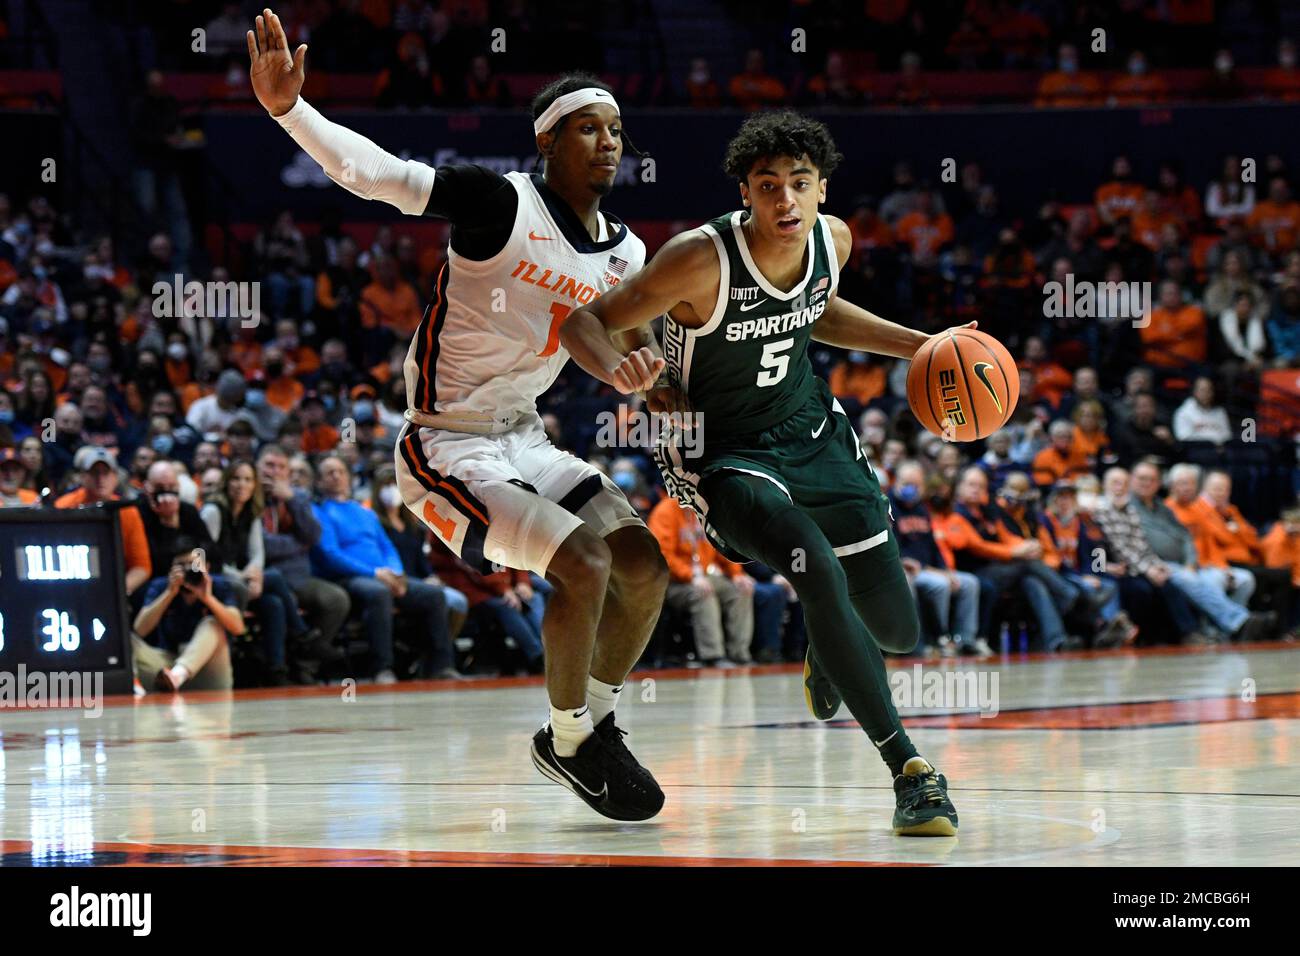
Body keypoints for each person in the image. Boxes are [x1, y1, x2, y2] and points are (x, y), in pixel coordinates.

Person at [249, 7, 666, 821]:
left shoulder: (629, 251)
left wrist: (648, 361)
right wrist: (289, 110)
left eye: (615, 129)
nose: (608, 142)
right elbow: (379, 175)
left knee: (643, 562)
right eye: (588, 128)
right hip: (446, 447)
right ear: (548, 141)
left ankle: (596, 724)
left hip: (526, 437)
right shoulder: (498, 203)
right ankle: (567, 736)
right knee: (582, 562)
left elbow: (629, 328)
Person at [560, 111, 959, 835]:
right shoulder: (698, 258)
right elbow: (590, 320)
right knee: (817, 571)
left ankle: (827, 641)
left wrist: (923, 346)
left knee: (899, 633)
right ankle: (911, 773)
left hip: (815, 435)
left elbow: (816, 312)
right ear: (745, 191)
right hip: (724, 451)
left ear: (821, 190)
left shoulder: (833, 241)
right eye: (767, 185)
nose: (784, 201)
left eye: (799, 185)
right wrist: (635, 377)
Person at [311, 455, 457, 683]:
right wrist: (376, 574)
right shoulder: (319, 512)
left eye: (340, 471)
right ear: (319, 482)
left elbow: (386, 546)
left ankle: (440, 666)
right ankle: (382, 668)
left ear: (349, 478)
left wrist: (396, 573)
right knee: (378, 593)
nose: (336, 476)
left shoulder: (365, 512)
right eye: (329, 473)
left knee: (434, 595)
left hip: (385, 575)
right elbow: (331, 555)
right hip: (349, 577)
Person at [201, 459, 338, 685]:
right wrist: (245, 576)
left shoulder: (251, 512)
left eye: (247, 479)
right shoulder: (213, 511)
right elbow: (208, 559)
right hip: (216, 579)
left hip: (242, 579)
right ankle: (302, 636)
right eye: (236, 479)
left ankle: (277, 670)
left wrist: (254, 573)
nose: (241, 485)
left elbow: (257, 553)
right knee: (273, 577)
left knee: (273, 603)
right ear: (226, 482)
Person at [1126, 462, 1275, 641]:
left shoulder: (1162, 509)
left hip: (1190, 563)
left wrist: (1192, 562)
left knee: (1243, 579)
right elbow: (1134, 544)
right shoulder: (1128, 508)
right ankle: (1239, 622)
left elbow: (1187, 538)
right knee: (1203, 580)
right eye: (1142, 479)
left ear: (1159, 483)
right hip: (1157, 563)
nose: (1147, 483)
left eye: (1152, 479)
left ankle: (1230, 630)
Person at [256, 443, 351, 651]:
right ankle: (288, 661)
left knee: (337, 598)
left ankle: (308, 659)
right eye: (269, 465)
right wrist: (300, 543)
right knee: (280, 603)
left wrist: (289, 499)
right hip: (265, 577)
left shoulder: (298, 497)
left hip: (299, 577)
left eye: (281, 467)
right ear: (257, 467)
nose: (275, 471)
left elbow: (314, 536)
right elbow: (264, 546)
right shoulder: (250, 496)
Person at [890, 460, 987, 658]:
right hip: (907, 569)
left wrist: (946, 569)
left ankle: (964, 640)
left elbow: (933, 546)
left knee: (969, 583)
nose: (911, 489)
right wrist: (937, 572)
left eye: (916, 485)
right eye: (906, 483)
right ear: (896, 482)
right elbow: (891, 546)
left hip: (928, 568)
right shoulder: (888, 506)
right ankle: (939, 639)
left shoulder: (921, 508)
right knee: (941, 585)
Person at [648, 495, 755, 667]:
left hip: (704, 576)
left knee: (740, 590)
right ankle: (713, 655)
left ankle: (739, 653)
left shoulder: (706, 510)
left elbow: (721, 547)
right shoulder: (665, 511)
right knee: (704, 593)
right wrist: (690, 576)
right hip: (672, 581)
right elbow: (663, 556)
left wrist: (736, 574)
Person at [133, 541, 244, 691]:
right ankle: (147, 684)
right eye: (181, 566)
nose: (188, 570)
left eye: (193, 565)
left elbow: (238, 627)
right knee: (129, 641)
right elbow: (139, 630)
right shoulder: (162, 586)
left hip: (209, 669)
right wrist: (169, 593)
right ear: (172, 569)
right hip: (167, 666)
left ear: (207, 567)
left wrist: (207, 598)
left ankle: (179, 674)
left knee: (212, 623)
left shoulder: (219, 586)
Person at [54, 446, 152, 598]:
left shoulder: (128, 511)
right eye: (94, 473)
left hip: (114, 582)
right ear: (82, 476)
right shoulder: (64, 506)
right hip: (71, 581)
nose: (101, 479)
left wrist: (117, 592)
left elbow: (141, 566)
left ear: (115, 476)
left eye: (106, 473)